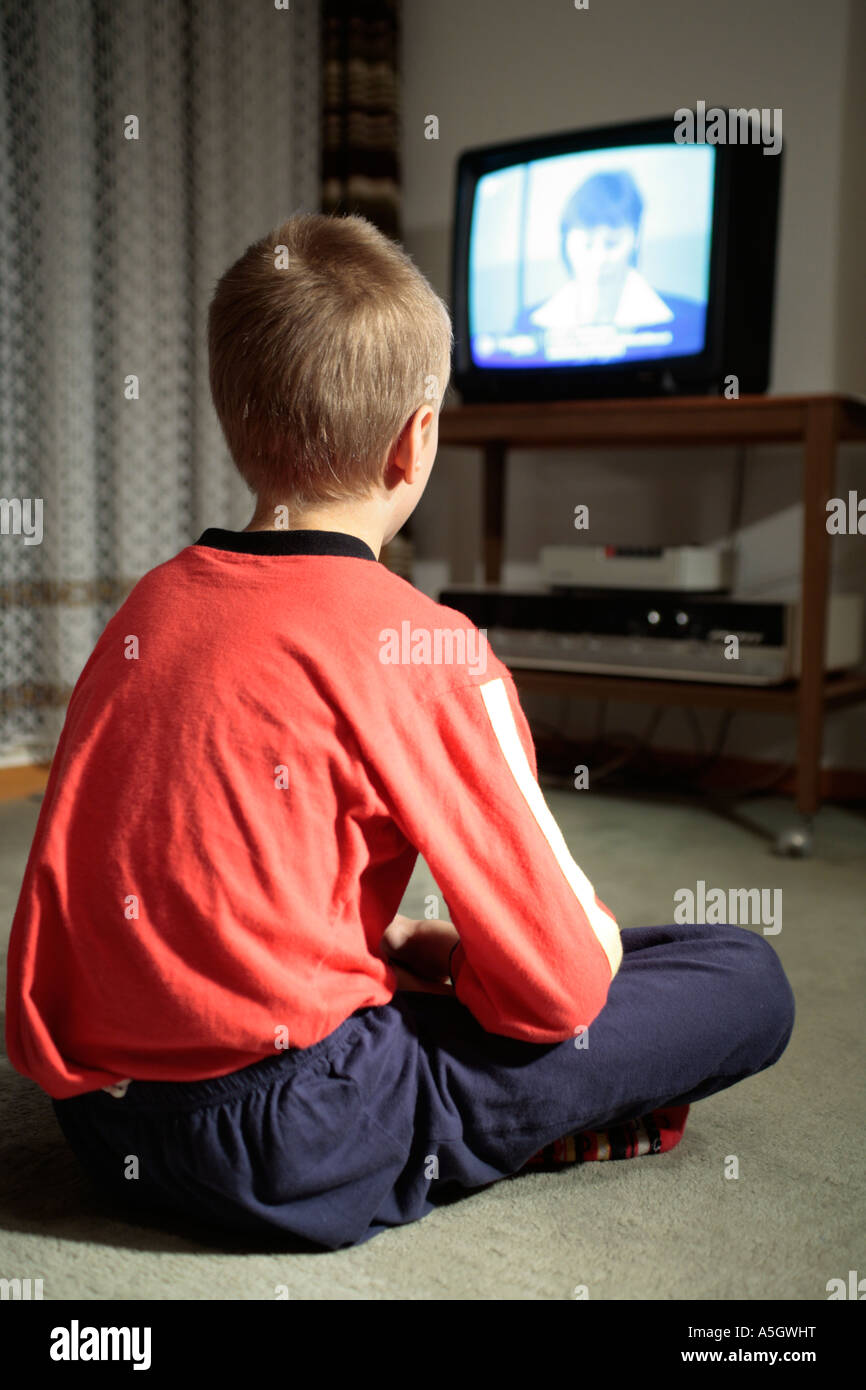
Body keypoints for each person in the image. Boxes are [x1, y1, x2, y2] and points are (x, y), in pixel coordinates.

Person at [5, 213, 794, 1251]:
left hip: (101, 1125)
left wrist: (399, 947)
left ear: (230, 413)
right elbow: (557, 990)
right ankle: (513, 1128)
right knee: (737, 975)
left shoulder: (146, 611)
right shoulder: (430, 650)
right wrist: (501, 959)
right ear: (415, 439)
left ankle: (457, 1062)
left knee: (494, 971)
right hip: (301, 1136)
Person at [514, 168, 706, 358]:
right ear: (566, 243)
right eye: (587, 245)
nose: (599, 260)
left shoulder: (690, 321)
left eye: (612, 244)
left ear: (636, 238)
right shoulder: (528, 325)